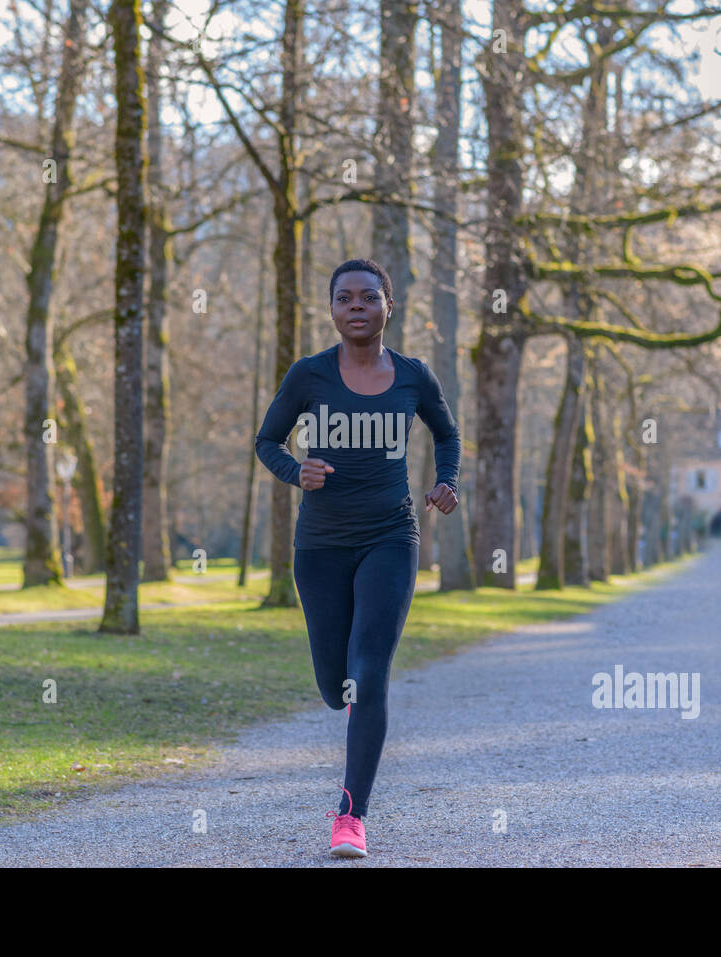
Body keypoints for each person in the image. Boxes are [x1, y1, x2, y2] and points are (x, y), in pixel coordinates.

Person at [254, 258, 460, 859]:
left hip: (391, 538)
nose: (357, 307)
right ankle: (346, 699)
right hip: (320, 546)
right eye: (345, 298)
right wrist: (298, 471)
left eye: (369, 297)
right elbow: (268, 439)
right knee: (334, 685)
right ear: (333, 310)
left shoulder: (414, 378)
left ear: (388, 306)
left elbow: (446, 436)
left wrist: (447, 482)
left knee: (368, 676)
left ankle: (351, 817)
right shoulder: (309, 376)